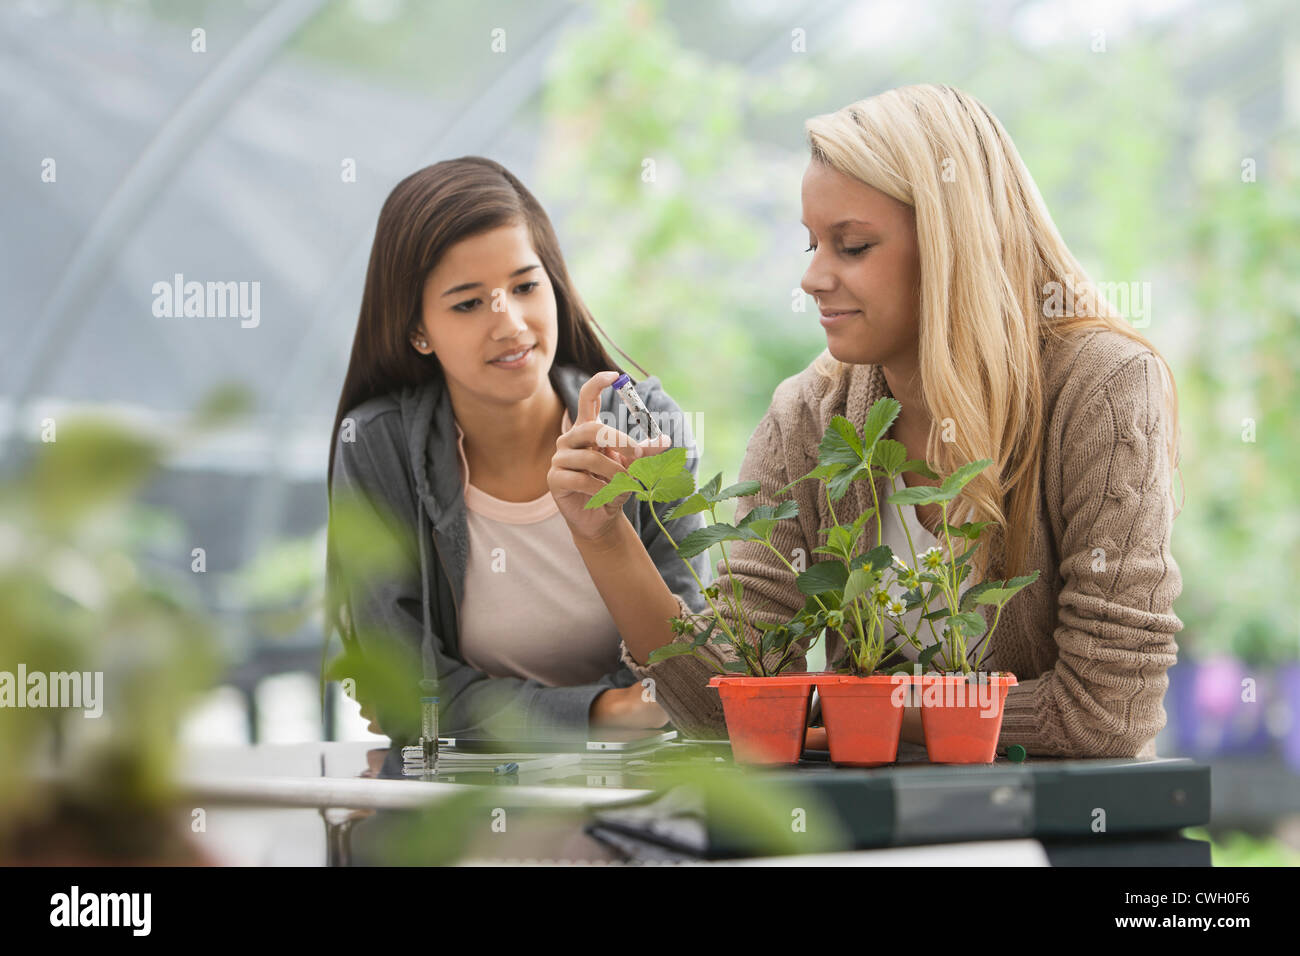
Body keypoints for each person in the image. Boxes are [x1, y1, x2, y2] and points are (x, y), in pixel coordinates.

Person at [550, 84, 1184, 758]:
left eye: (851, 247)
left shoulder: (1100, 389)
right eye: (811, 246)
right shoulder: (810, 417)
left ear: (951, 248)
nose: (813, 279)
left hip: (1055, 844)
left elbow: (1105, 713)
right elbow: (728, 702)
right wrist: (605, 538)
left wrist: (844, 709)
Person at [325, 157, 708, 746]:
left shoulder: (646, 422)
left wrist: (475, 711)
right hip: (461, 807)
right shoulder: (378, 446)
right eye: (468, 303)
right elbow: (403, 697)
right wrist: (604, 712)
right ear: (417, 331)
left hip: (650, 790)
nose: (510, 323)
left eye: (525, 286)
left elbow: (690, 670)